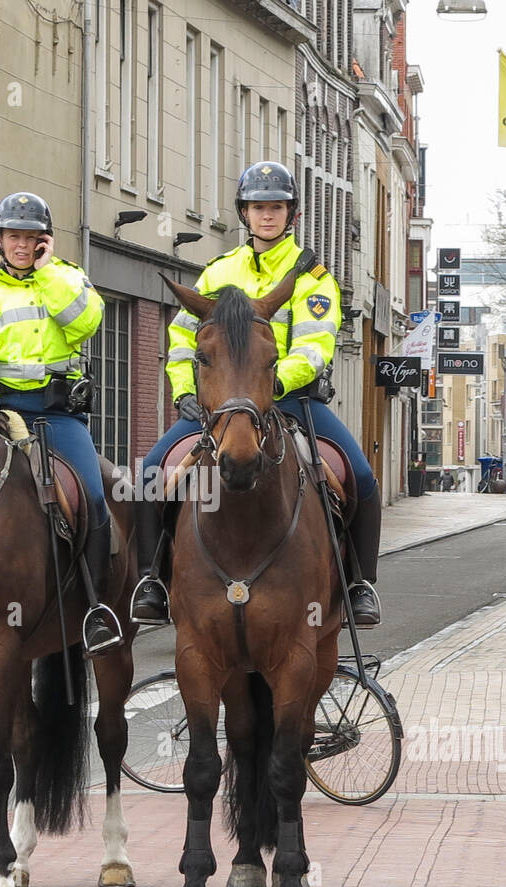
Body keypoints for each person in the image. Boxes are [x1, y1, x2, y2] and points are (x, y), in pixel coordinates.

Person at [130, 161, 383, 628]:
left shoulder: (312, 276)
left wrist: (275, 382)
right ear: (244, 214)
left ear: (292, 215)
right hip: (221, 406)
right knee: (150, 472)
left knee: (362, 478)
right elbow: (184, 340)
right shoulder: (217, 272)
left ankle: (359, 585)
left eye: (276, 208)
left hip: (291, 400)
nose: (267, 216)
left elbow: (314, 344)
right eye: (258, 208)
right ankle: (152, 580)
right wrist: (185, 391)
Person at [0, 191, 121, 656]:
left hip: (59, 415)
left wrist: (47, 274)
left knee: (93, 493)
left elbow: (85, 323)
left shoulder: (67, 278)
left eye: (30, 238)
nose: (21, 246)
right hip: (0, 412)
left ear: (44, 241)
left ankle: (95, 610)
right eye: (13, 237)